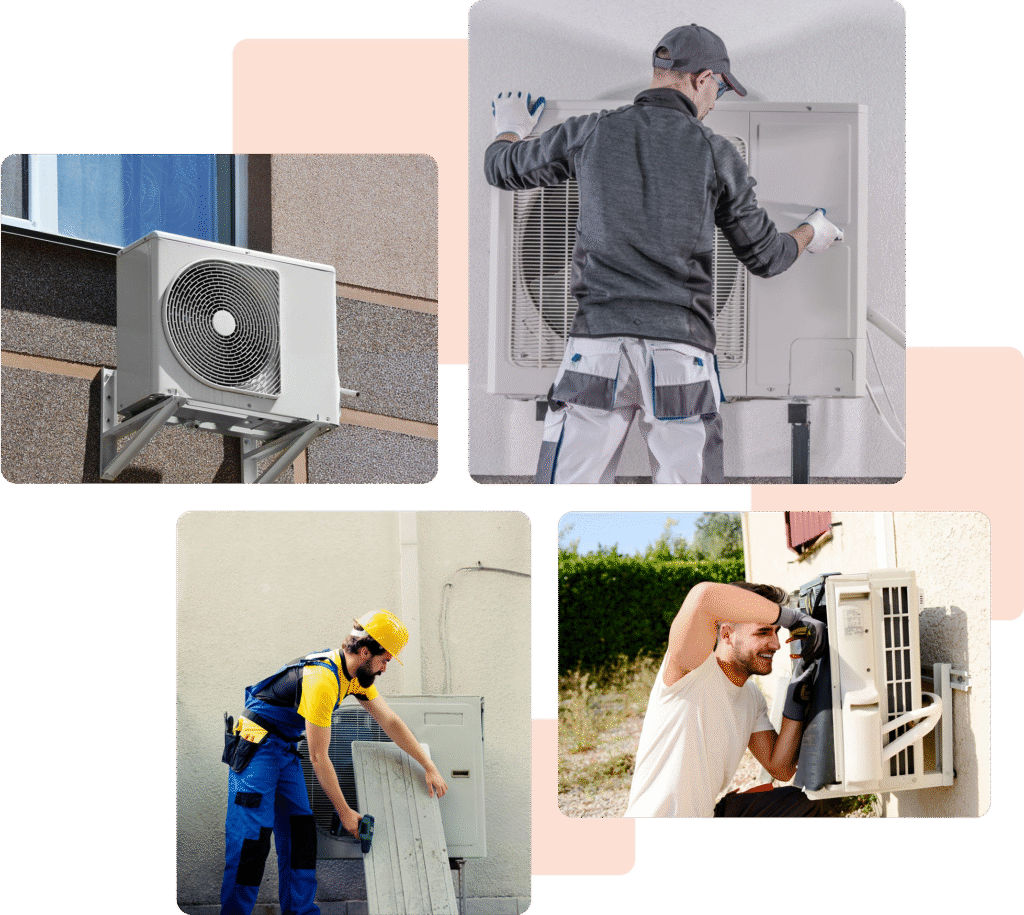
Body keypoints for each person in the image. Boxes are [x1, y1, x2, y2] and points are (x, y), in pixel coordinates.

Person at [484, 24, 843, 484]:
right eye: (719, 89)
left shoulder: (591, 132)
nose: (715, 102)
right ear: (702, 78)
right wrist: (812, 231)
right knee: (689, 506)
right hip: (680, 354)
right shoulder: (716, 153)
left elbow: (501, 168)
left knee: (563, 498)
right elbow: (767, 256)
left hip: (596, 350)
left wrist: (510, 129)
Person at [219, 610, 449, 915]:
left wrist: (428, 767)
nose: (386, 665)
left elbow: (390, 721)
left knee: (301, 836)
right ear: (366, 651)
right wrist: (345, 814)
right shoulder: (323, 681)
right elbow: (318, 757)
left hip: (284, 748)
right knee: (251, 843)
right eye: (386, 657)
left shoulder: (352, 676)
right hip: (256, 748)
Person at [625, 581, 825, 817]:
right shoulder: (692, 670)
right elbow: (704, 595)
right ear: (727, 634)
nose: (776, 644)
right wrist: (792, 618)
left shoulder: (751, 697)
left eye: (776, 632)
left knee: (798, 803)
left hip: (704, 819)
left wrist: (796, 694)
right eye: (763, 632)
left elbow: (780, 768)